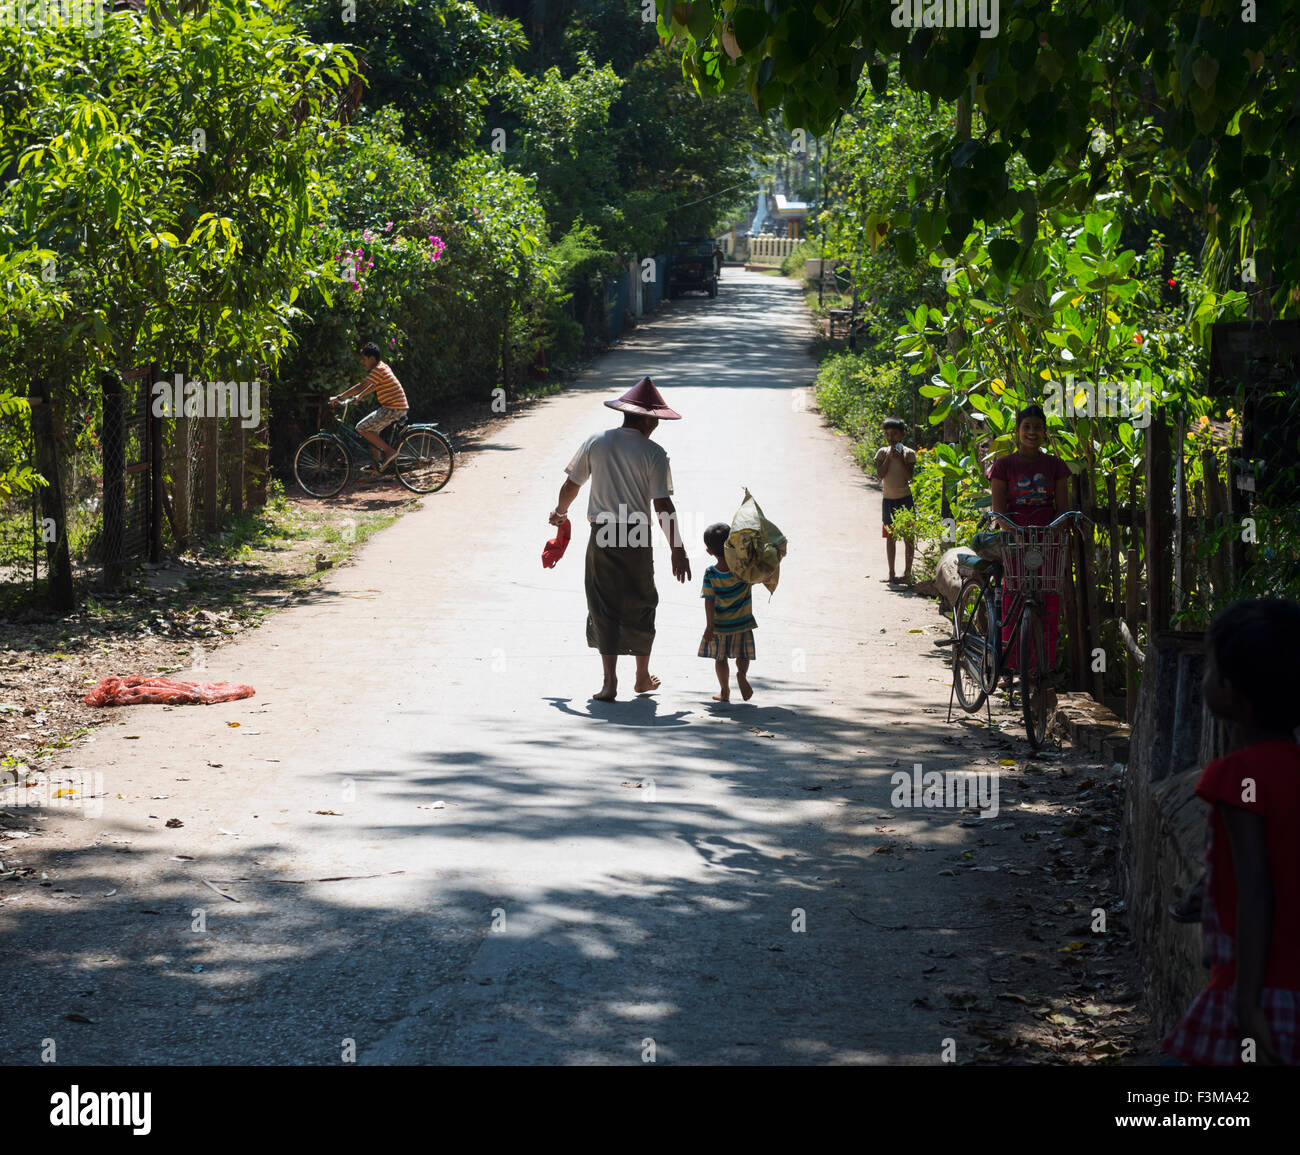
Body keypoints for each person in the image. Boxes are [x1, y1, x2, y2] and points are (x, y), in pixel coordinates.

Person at [1162, 598, 1300, 1066]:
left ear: (1232, 692)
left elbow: (1258, 891)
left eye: (1212, 666)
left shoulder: (1238, 778)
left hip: (1253, 989)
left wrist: (1245, 1000)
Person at [550, 377, 690, 702]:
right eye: (654, 418)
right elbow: (662, 504)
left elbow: (572, 485)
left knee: (603, 602)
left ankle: (610, 682)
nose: (657, 424)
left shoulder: (597, 441)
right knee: (642, 600)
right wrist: (677, 549)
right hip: (636, 532)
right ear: (643, 418)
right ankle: (641, 677)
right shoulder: (655, 453)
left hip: (603, 531)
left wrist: (560, 512)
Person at [987, 404, 1071, 671]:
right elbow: (998, 511)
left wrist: (1054, 531)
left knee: (1048, 599)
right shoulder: (1003, 466)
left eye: (1037, 427)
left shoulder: (1056, 466)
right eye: (1027, 427)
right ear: (1017, 431)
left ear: (1045, 432)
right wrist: (1015, 533)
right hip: (1015, 538)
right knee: (1014, 596)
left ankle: (1042, 667)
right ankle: (1011, 667)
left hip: (1047, 539)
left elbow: (1063, 509)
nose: (1032, 432)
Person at [699, 521, 755, 703]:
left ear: (709, 551)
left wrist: (709, 626)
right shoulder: (743, 568)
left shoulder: (710, 573)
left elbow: (709, 600)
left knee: (720, 659)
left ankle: (724, 691)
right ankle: (741, 673)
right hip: (743, 622)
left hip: (720, 626)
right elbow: (762, 576)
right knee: (743, 654)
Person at [329, 342, 409, 471]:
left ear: (372, 359)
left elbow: (361, 385)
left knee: (361, 427)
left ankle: (389, 451)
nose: (363, 362)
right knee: (372, 431)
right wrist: (360, 396)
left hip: (393, 408)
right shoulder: (382, 367)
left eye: (364, 359)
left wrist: (338, 397)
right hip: (395, 407)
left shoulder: (378, 369)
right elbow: (373, 385)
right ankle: (376, 465)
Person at [874, 418, 916, 584]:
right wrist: (888, 459)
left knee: (908, 538)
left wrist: (899, 460)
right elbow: (880, 474)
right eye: (887, 434)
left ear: (902, 435)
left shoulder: (908, 454)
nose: (890, 437)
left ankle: (907, 573)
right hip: (888, 500)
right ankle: (891, 573)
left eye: (894, 434)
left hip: (905, 499)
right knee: (890, 537)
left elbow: (909, 477)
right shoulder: (882, 453)